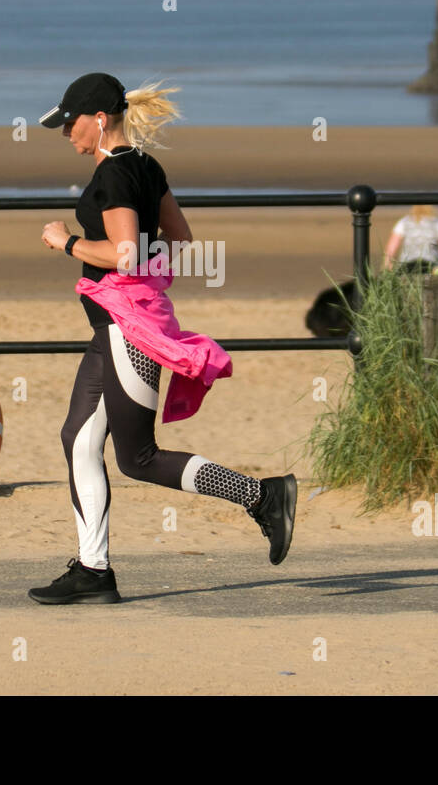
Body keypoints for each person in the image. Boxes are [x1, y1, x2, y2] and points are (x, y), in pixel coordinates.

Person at [32, 72, 297, 605]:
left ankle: (263, 496)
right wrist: (145, 285)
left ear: (99, 119)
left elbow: (124, 253)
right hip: (114, 325)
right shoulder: (147, 166)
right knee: (78, 441)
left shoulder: (113, 175)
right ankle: (94, 570)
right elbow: (180, 238)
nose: (66, 134)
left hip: (126, 327)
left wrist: (68, 244)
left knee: (139, 458)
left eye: (70, 123)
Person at [382, 204, 438, 273]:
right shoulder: (436, 222)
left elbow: (390, 249)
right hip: (431, 266)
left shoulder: (404, 221)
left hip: (407, 265)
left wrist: (387, 268)